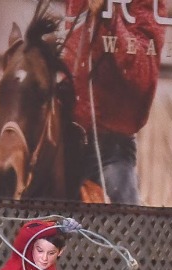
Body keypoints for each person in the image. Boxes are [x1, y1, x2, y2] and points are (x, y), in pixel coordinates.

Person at [63, 0, 164, 205]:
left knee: (128, 222)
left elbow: (142, 74)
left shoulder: (144, 5)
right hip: (63, 145)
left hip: (111, 151)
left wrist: (108, 18)